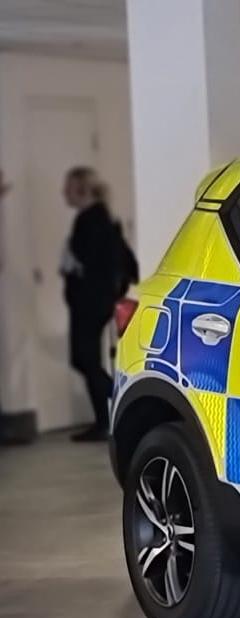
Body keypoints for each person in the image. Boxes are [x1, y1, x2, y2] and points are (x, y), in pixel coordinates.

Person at [61, 166, 131, 442]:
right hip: (95, 300)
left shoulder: (91, 220)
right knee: (85, 359)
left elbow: (89, 261)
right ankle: (106, 418)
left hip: (91, 301)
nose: (64, 193)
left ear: (81, 189)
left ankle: (119, 407)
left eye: (68, 188)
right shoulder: (98, 217)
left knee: (84, 358)